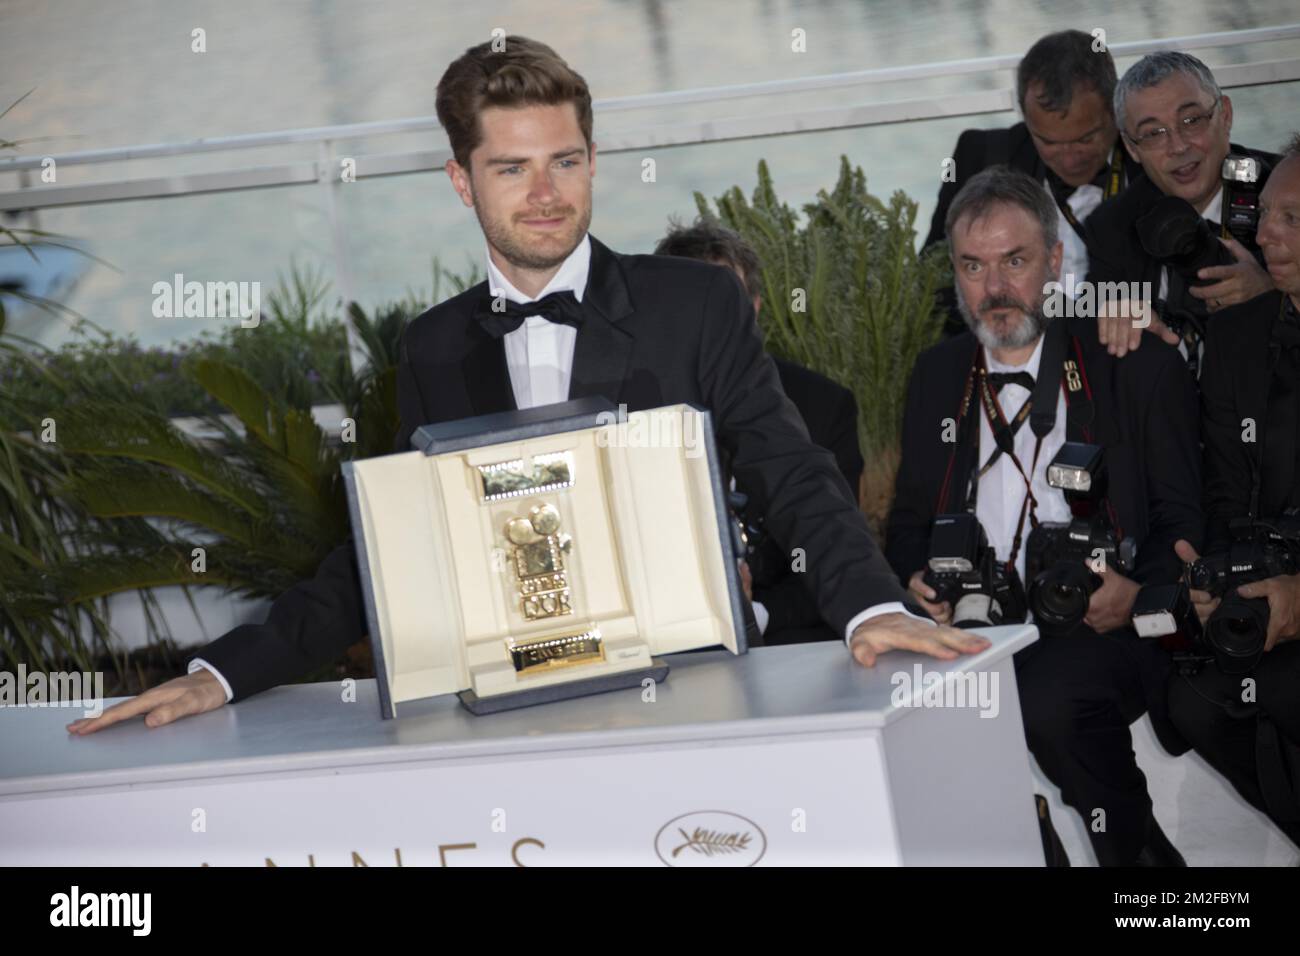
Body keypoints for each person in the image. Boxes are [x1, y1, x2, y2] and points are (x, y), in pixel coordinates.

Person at [69, 36, 984, 735]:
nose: (546, 193)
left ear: (591, 158)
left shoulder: (694, 303)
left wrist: (871, 606)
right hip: (511, 705)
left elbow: (791, 465)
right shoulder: (429, 346)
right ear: (461, 181)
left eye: (566, 161)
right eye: (512, 168)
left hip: (696, 688)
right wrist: (222, 673)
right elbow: (388, 552)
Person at [887, 166, 1203, 865]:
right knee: (919, 708)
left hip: (1106, 621)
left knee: (1048, 700)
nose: (995, 289)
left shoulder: (1127, 358)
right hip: (977, 624)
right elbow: (908, 522)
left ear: (1056, 261)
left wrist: (1134, 595)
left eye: (1015, 261)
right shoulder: (939, 374)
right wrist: (916, 579)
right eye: (973, 266)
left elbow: (1184, 519)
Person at [1167, 135, 1300, 848]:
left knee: (1277, 690)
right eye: (1267, 214)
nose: (1265, 234)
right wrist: (1216, 575)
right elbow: (1223, 490)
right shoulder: (1240, 335)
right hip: (1266, 590)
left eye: (1293, 219)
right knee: (1195, 697)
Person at [654, 217, 864, 645]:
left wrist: (755, 615)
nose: (708, 325)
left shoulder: (822, 407)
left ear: (755, 308)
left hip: (790, 643)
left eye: (724, 305)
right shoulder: (632, 414)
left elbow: (839, 554)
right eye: (691, 307)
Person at [926, 30, 1140, 333]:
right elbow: (933, 283)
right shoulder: (981, 157)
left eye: (1086, 138)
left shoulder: (1151, 160)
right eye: (1049, 142)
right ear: (1025, 118)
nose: (1069, 158)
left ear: (1116, 109)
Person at [1085, 52, 1279, 371]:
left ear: (1225, 115)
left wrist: (1272, 294)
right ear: (1131, 148)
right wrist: (1111, 316)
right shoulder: (1112, 225)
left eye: (1191, 120)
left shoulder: (1284, 187)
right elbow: (1092, 322)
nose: (1177, 146)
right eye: (1153, 134)